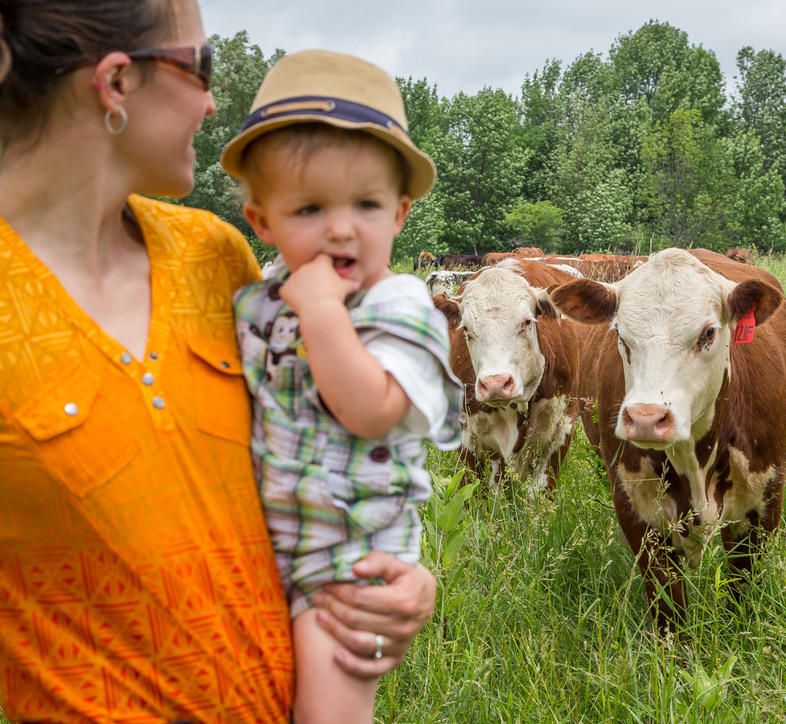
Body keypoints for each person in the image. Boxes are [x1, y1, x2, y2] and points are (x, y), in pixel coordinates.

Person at [0, 2, 436, 722]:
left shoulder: (215, 256)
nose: (211, 101)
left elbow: (313, 458)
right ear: (115, 83)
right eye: (200, 67)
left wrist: (405, 580)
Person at [220, 50, 461, 724]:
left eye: (366, 203)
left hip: (350, 563)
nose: (340, 227)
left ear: (400, 215)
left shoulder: (403, 306)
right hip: (258, 546)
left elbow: (373, 412)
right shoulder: (256, 305)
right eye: (308, 208)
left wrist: (323, 315)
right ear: (261, 222)